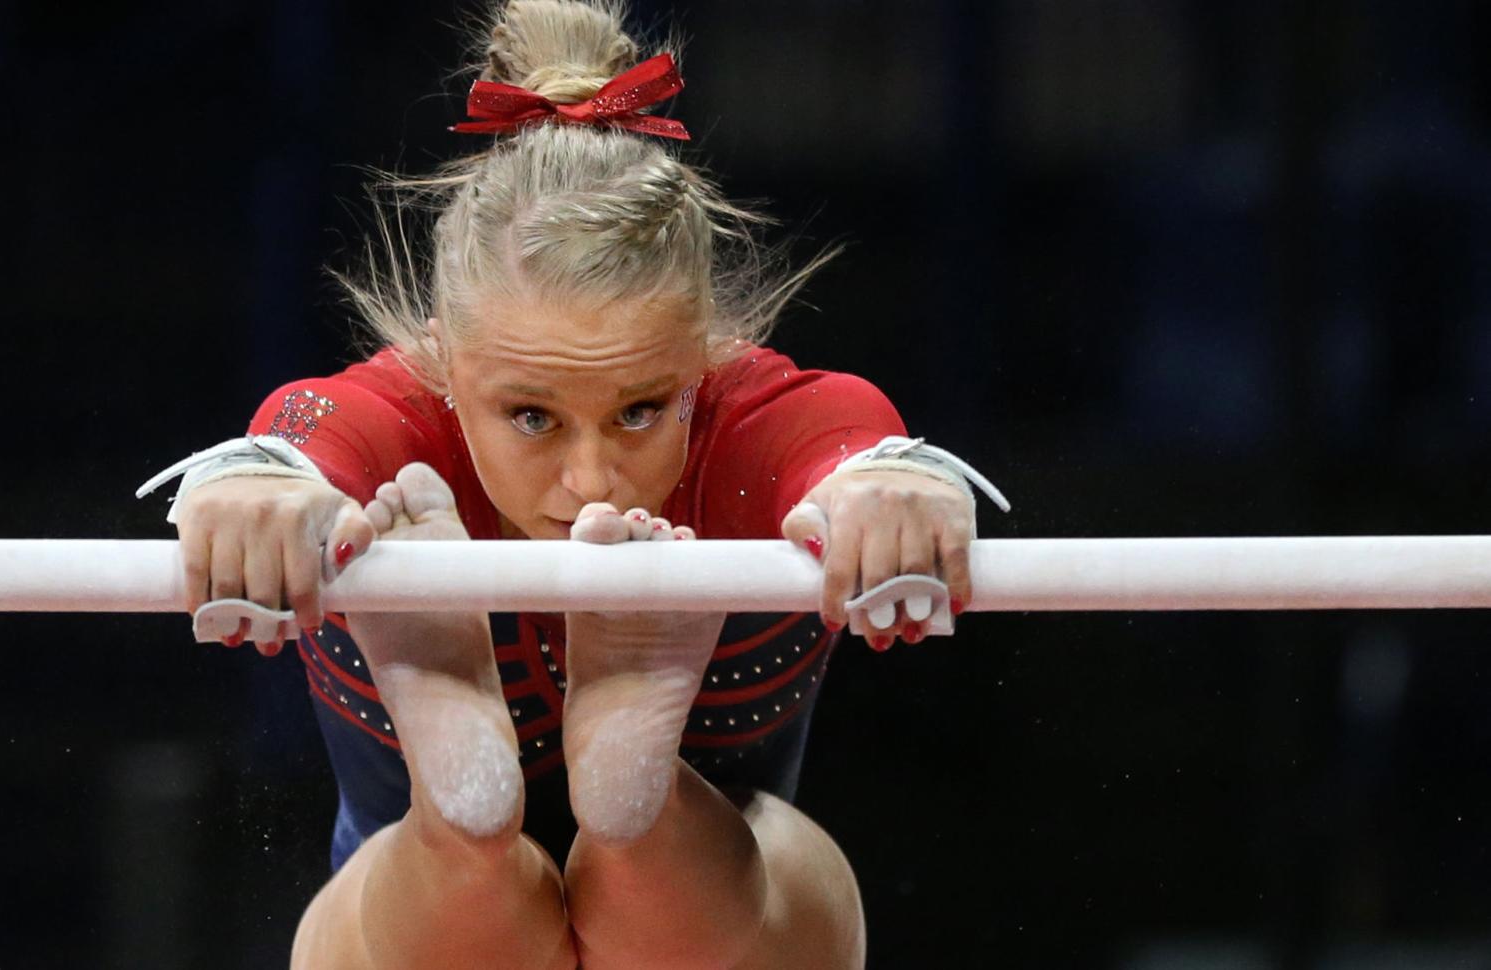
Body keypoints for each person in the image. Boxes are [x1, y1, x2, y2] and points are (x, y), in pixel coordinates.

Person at [141, 2, 1005, 966]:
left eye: (640, 409)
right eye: (533, 417)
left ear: (706, 358)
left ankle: (550, 819)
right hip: (717, 934)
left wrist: (893, 487)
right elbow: (306, 436)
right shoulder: (401, 425)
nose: (591, 483)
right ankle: (528, 810)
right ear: (441, 366)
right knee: (786, 910)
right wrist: (257, 485)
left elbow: (848, 439)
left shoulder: (749, 419)